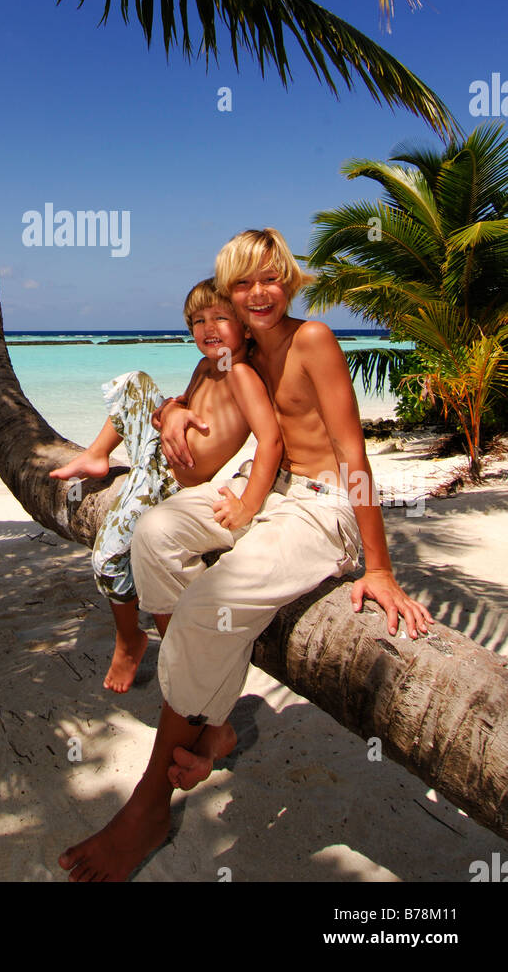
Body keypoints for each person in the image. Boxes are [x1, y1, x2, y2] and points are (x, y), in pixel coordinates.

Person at [59, 227, 434, 882]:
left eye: (270, 277)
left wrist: (378, 567)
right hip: (265, 492)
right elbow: (193, 392)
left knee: (209, 603)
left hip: (320, 505)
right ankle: (208, 723)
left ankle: (150, 800)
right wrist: (173, 411)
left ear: (288, 280)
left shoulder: (311, 339)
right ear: (227, 293)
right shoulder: (241, 348)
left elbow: (353, 455)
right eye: (242, 282)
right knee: (153, 536)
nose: (258, 292)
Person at [51, 279, 283, 693]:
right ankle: (97, 454)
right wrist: (171, 411)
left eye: (220, 318)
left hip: (169, 480)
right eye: (198, 320)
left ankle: (129, 639)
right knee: (132, 382)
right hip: (157, 452)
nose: (208, 328)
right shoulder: (206, 367)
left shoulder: (242, 375)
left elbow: (272, 439)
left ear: (246, 327)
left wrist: (249, 503)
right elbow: (173, 407)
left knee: (106, 558)